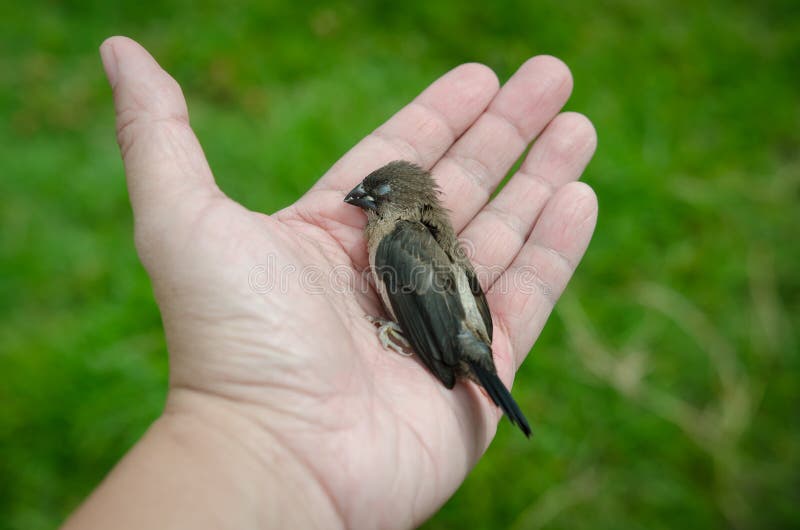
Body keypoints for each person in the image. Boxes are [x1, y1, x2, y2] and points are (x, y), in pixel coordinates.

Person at [63, 36, 598, 529]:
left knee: (459, 346)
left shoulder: (401, 239)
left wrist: (433, 350)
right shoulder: (422, 234)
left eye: (374, 194)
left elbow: (431, 308)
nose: (362, 202)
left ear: (397, 200)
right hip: (462, 338)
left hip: (455, 339)